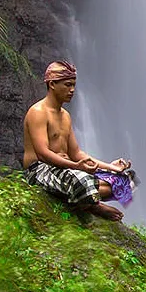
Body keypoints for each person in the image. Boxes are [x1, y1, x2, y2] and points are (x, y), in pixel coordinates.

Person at [22, 60, 131, 222]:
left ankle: (84, 199)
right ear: (52, 84)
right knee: (82, 180)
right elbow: (43, 153)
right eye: (67, 85)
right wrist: (76, 166)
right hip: (39, 170)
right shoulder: (38, 112)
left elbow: (76, 153)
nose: (72, 90)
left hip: (68, 170)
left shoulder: (65, 116)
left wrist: (111, 167)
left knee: (125, 180)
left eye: (73, 85)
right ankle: (94, 206)